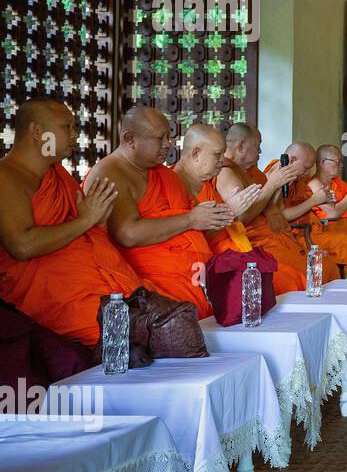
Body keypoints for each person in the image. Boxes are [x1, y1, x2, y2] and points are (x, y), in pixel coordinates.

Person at [0, 99, 143, 345]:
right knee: (130, 339)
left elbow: (81, 231)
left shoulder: (58, 174)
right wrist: (87, 219)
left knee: (158, 322)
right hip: (56, 298)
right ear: (36, 131)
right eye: (66, 127)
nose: (75, 134)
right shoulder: (7, 176)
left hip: (103, 285)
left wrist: (98, 221)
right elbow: (22, 246)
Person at [84, 106, 245, 318]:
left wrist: (220, 216)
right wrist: (191, 219)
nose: (168, 144)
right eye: (160, 138)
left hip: (196, 281)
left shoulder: (165, 175)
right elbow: (127, 234)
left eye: (168, 137)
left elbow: (197, 227)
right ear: (130, 139)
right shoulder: (109, 173)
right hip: (154, 287)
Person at [203, 122, 309, 294]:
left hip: (273, 236)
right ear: (241, 146)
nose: (260, 151)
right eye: (258, 146)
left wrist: (278, 185)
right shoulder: (226, 172)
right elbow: (242, 217)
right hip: (256, 242)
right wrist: (272, 185)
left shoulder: (250, 172)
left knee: (317, 266)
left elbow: (269, 205)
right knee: (301, 275)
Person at [276, 141, 347, 280]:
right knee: (342, 240)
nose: (307, 174)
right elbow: (283, 215)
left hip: (314, 226)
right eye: (305, 168)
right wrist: (315, 200)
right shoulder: (280, 178)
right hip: (299, 233)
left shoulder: (298, 181)